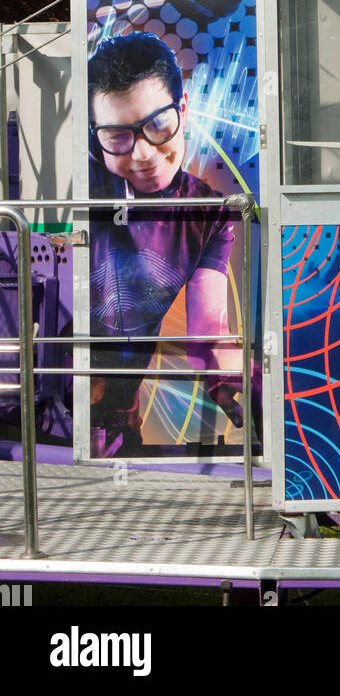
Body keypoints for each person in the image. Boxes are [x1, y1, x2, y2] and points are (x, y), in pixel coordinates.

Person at [87, 32, 243, 454]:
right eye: (118, 136)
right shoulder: (83, 184)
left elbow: (209, 330)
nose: (142, 152)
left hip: (115, 429)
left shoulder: (208, 212)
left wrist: (235, 388)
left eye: (157, 124)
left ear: (184, 110)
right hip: (36, 421)